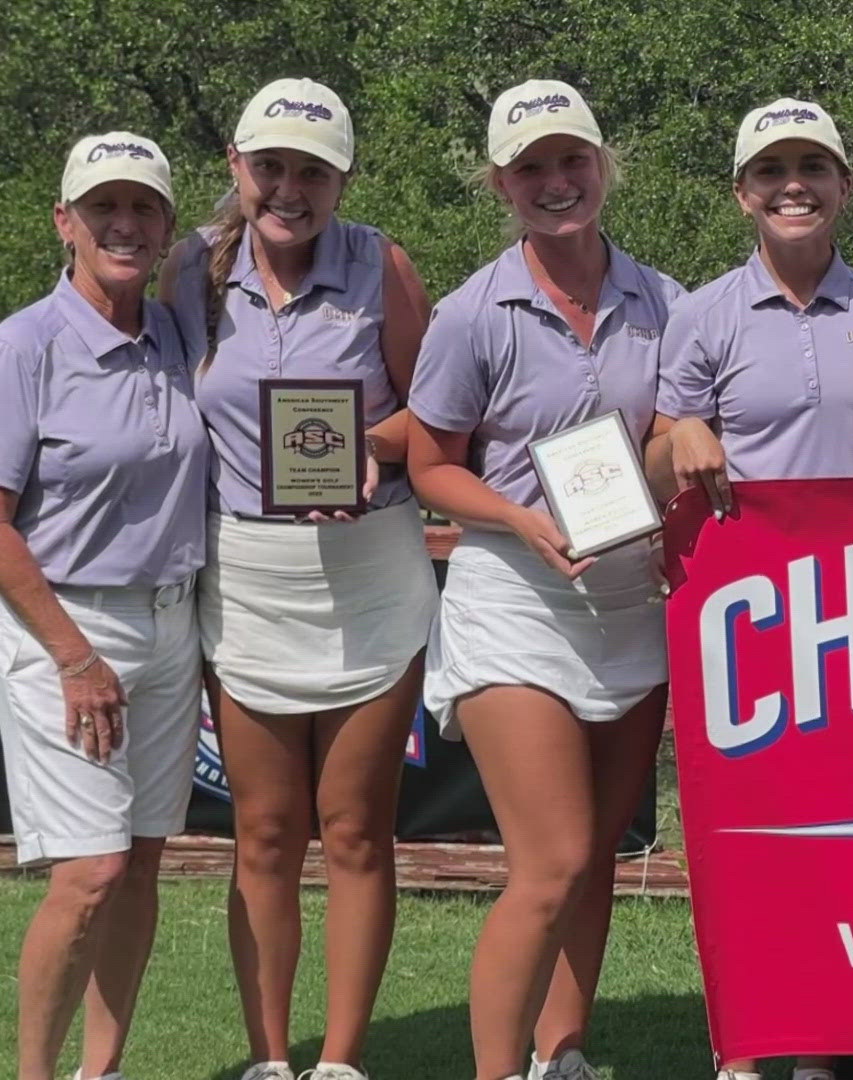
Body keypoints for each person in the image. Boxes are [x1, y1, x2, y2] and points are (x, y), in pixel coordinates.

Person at [158, 77, 437, 1080]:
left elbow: (434, 414)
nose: (289, 189)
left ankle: (345, 1061)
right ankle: (272, 1058)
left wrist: (373, 448)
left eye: (312, 171)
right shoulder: (190, 267)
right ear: (235, 167)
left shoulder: (383, 266)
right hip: (248, 577)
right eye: (269, 165)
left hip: (368, 575)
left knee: (358, 830)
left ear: (342, 179)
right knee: (266, 834)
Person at [406, 79, 680, 1080]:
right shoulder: (471, 312)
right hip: (513, 595)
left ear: (603, 166)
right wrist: (519, 518)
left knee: (597, 859)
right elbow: (430, 462)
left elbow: (674, 436)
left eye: (572, 161)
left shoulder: (669, 305)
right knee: (552, 860)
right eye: (531, 169)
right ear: (500, 182)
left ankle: (563, 1055)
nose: (556, 183)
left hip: (626, 601)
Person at [652, 95, 853, 1080]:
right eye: (773, 171)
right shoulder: (701, 312)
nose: (794, 185)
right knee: (751, 841)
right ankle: (749, 1041)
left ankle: (827, 1041)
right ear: (744, 192)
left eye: (814, 169)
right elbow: (665, 447)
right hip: (750, 614)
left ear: (843, 186)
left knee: (850, 835)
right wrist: (682, 434)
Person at [1, 132, 209, 1080]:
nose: (123, 224)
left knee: (141, 862)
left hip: (172, 621)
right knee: (90, 876)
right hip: (67, 630)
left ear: (166, 226)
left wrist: (254, 183)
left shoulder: (172, 329)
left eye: (143, 208)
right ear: (65, 222)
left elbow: (247, 225)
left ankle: (104, 1070)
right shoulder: (24, 345)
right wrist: (74, 656)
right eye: (103, 208)